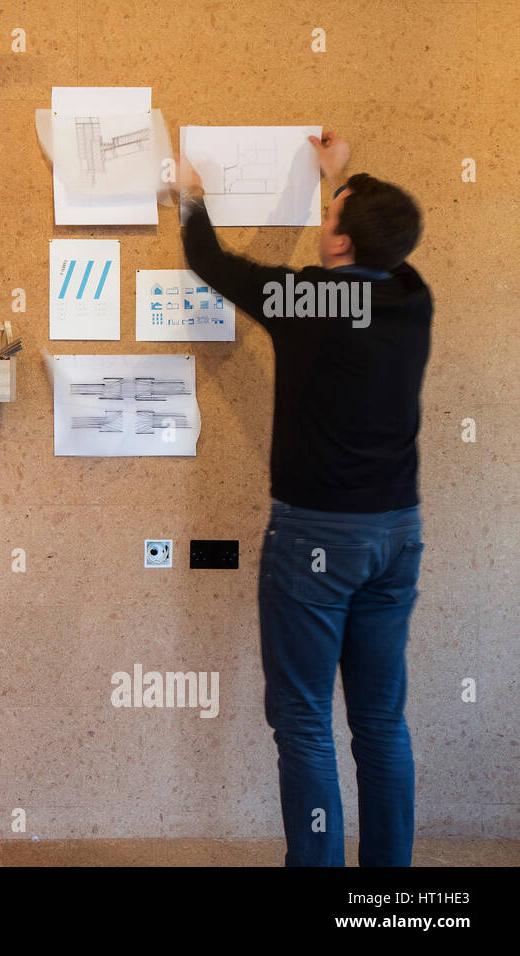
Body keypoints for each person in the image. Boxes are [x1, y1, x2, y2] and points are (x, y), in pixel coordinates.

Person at [178, 133, 432, 866]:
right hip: (395, 537)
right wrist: (341, 179)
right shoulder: (413, 297)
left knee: (304, 720)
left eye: (331, 213)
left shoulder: (306, 298)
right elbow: (382, 254)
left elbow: (212, 263)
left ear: (342, 241)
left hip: (316, 540)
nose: (323, 220)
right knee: (381, 721)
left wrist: (190, 194)